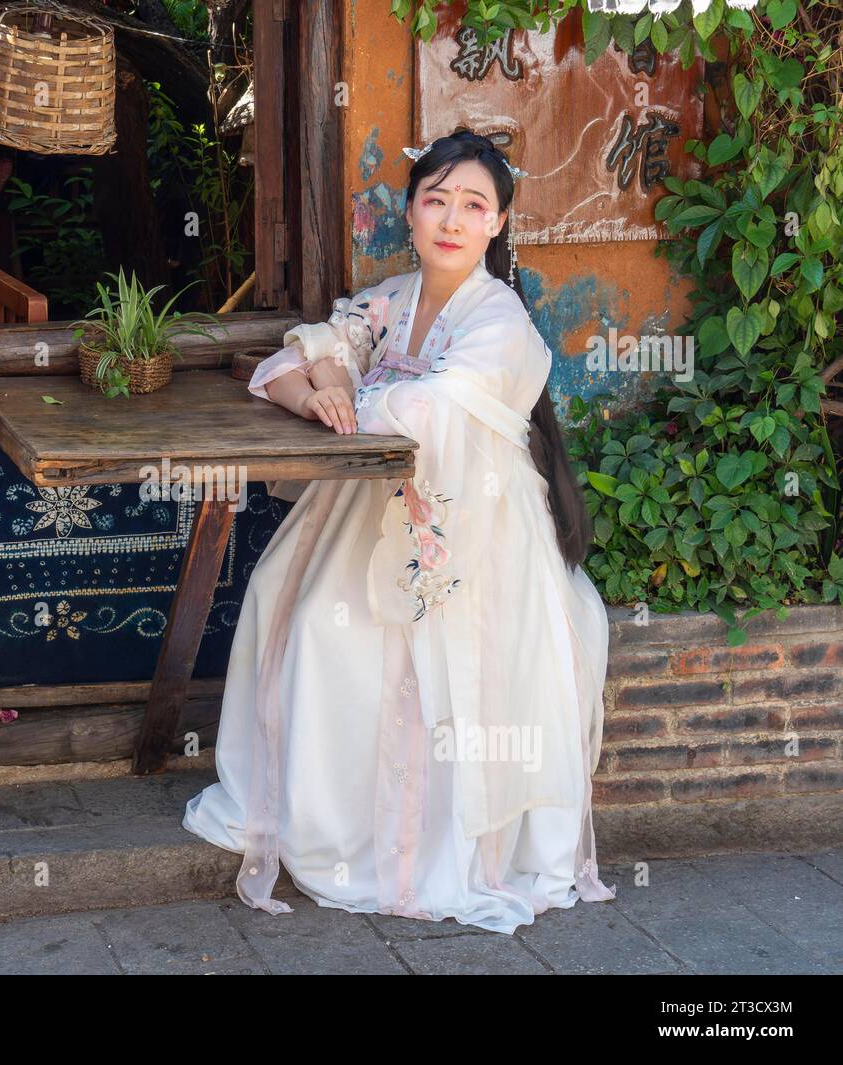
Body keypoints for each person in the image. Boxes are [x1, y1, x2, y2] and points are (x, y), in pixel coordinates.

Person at [183, 128, 617, 934]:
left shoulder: (502, 324)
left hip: (471, 527)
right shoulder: (388, 303)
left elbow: (426, 411)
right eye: (436, 200)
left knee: (420, 667)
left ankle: (427, 849)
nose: (452, 219)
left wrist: (342, 390)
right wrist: (319, 390)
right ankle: (326, 828)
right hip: (368, 507)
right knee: (306, 619)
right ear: (411, 213)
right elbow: (280, 368)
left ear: (498, 223)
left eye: (474, 205)